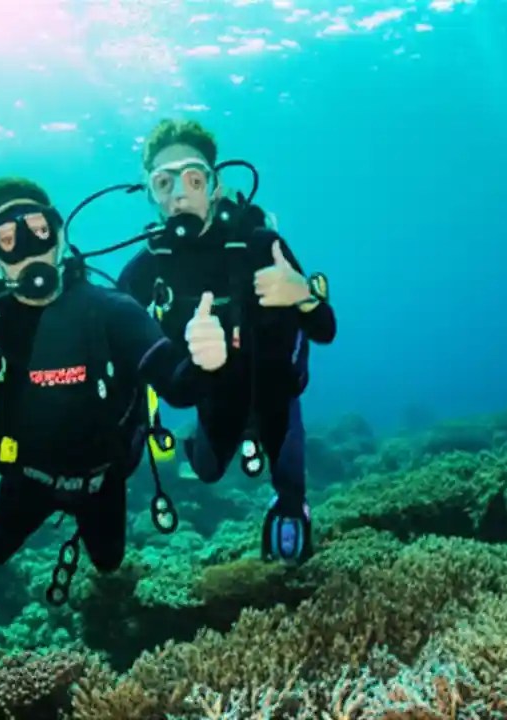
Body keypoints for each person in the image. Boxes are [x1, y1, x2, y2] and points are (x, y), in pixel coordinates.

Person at [0, 176, 228, 604]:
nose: (30, 249)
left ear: (60, 233)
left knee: (109, 562)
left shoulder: (112, 310)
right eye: (8, 239)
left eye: (39, 230)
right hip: (25, 477)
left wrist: (207, 361)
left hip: (101, 477)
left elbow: (180, 389)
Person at [116, 118, 337, 566]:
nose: (179, 194)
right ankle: (212, 441)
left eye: (193, 179)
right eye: (164, 182)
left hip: (274, 385)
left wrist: (305, 297)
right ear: (150, 195)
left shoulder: (261, 244)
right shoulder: (145, 271)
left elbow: (325, 330)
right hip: (212, 395)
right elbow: (115, 351)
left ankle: (288, 504)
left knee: (290, 491)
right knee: (207, 470)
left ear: (215, 186)